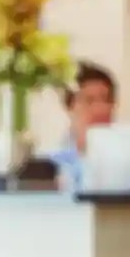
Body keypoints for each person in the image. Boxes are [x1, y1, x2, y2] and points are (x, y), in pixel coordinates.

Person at [46, 62, 117, 190]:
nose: (100, 109)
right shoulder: (51, 166)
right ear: (70, 106)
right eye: (89, 100)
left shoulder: (124, 161)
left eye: (106, 100)